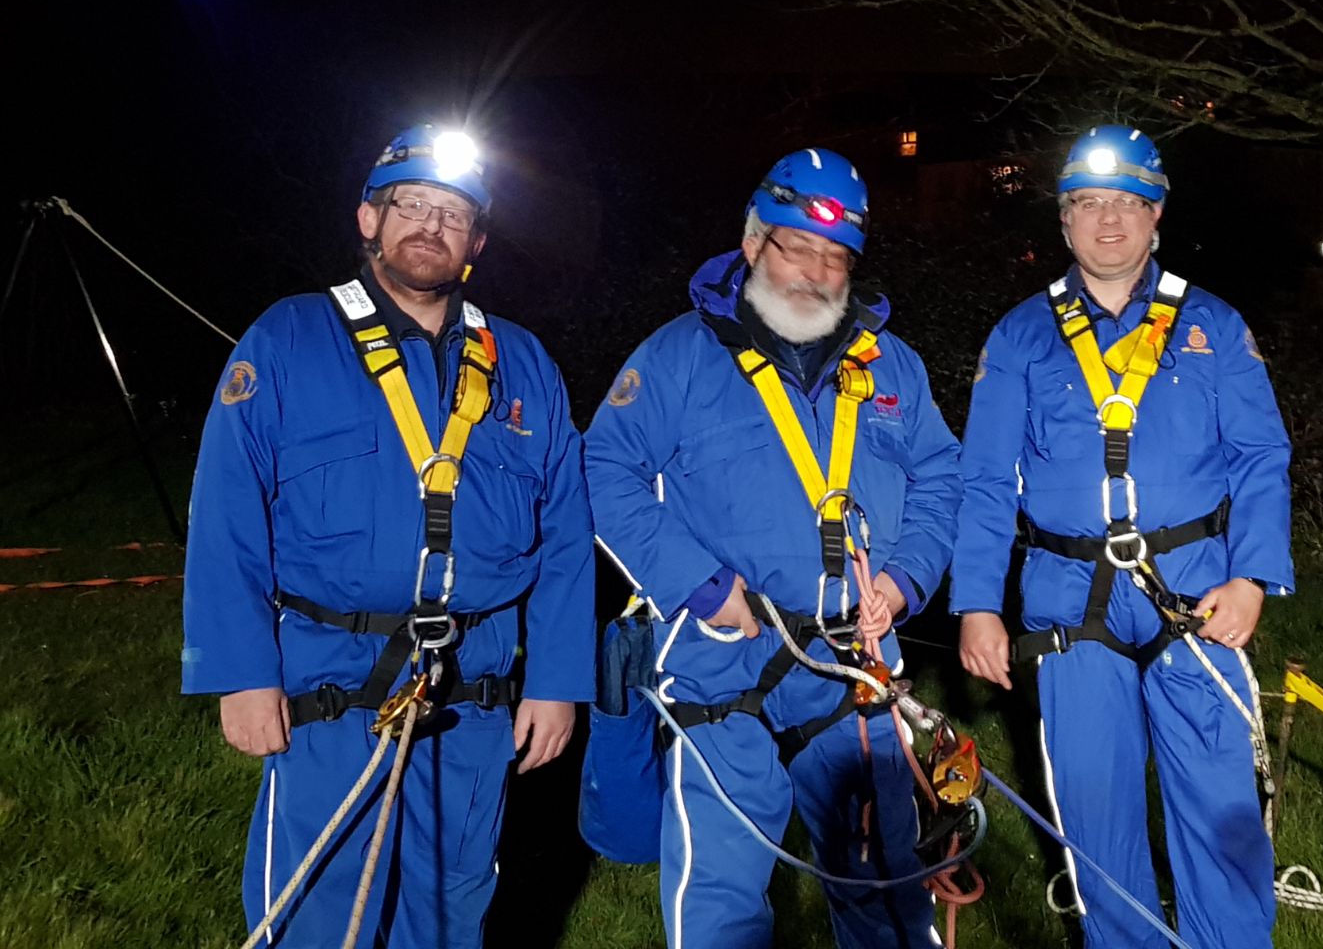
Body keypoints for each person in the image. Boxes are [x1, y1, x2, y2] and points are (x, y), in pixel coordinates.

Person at [182, 124, 595, 948]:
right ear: (370, 219)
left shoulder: (522, 362)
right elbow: (225, 514)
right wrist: (239, 674)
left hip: (471, 703)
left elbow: (567, 536)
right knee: (314, 914)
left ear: (475, 240)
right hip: (327, 696)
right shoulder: (289, 338)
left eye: (452, 213)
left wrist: (558, 681)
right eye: (411, 204)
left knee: (450, 914)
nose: (429, 227)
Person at [586, 148, 961, 949]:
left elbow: (942, 476)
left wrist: (904, 580)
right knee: (723, 896)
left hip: (854, 665)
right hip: (727, 656)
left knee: (885, 883)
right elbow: (606, 470)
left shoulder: (890, 365)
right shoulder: (678, 356)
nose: (816, 271)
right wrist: (701, 587)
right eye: (797, 245)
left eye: (836, 256)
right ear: (754, 243)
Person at [952, 126, 1293, 949]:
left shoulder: (1212, 325)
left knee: (1221, 814)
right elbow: (987, 481)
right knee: (1096, 818)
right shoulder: (1020, 337)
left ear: (1157, 214)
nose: (1108, 221)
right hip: (1073, 605)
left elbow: (1261, 457)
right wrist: (974, 607)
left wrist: (1253, 576)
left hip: (1197, 591)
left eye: (1126, 204)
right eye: (1087, 205)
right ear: (1064, 222)